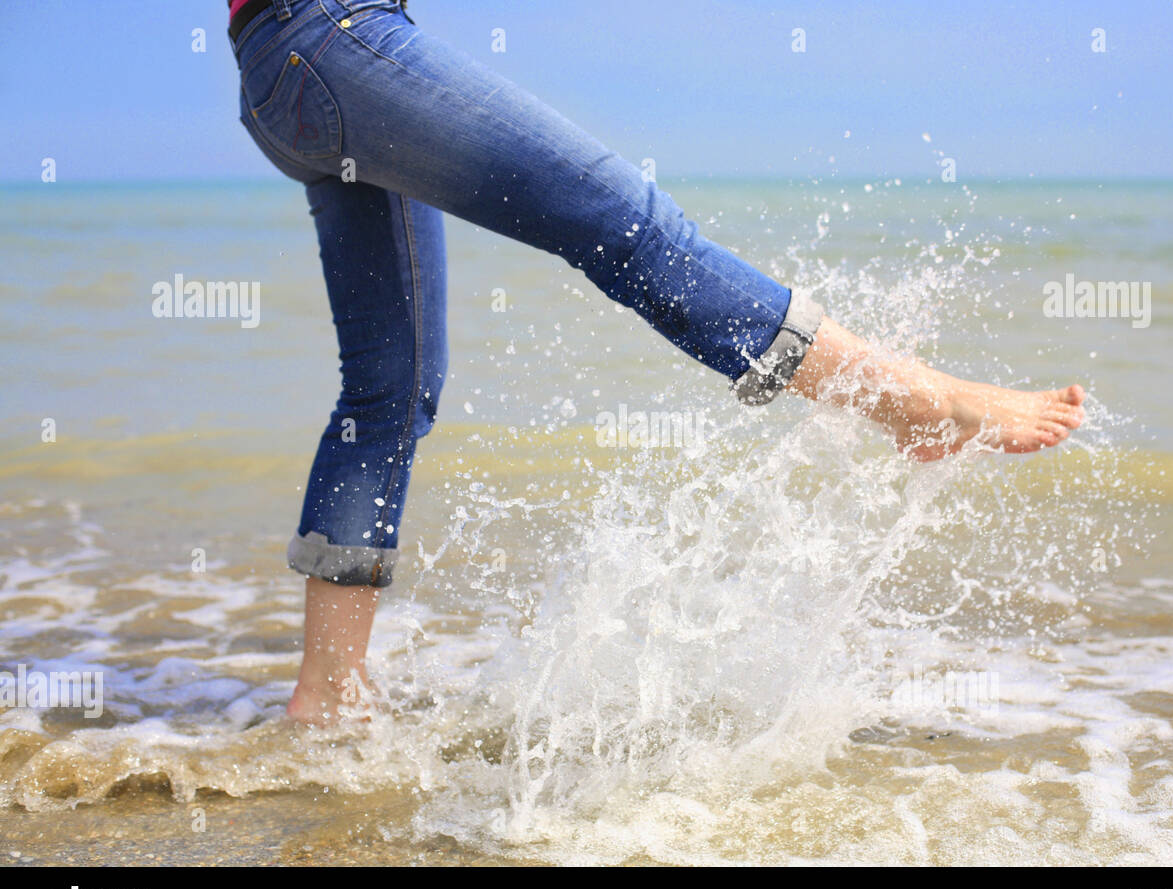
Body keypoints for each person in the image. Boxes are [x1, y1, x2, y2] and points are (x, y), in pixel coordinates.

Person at [227, 0, 1086, 725]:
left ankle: (328, 697)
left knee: (390, 390)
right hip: (337, 39)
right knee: (629, 223)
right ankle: (910, 401)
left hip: (279, 73)